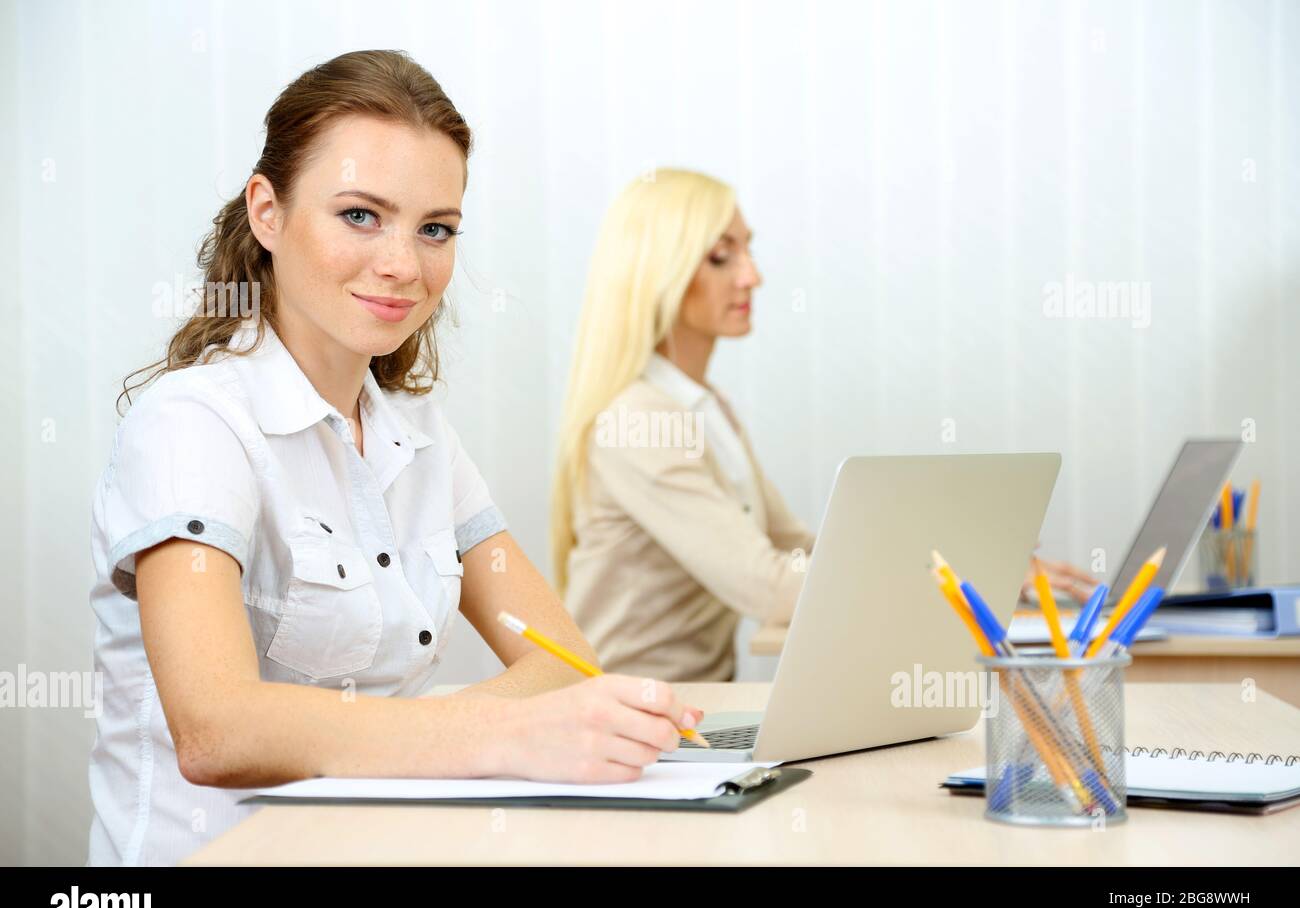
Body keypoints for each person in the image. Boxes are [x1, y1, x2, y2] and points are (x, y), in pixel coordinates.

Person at [87, 51, 698, 866]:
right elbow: (218, 729)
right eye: (360, 216)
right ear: (266, 212)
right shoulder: (192, 427)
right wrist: (503, 729)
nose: (404, 266)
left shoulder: (419, 434)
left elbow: (564, 660)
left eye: (435, 229)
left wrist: (515, 724)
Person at [551, 169, 1097, 682]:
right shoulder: (638, 422)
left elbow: (794, 546)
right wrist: (965, 581)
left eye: (748, 249)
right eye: (721, 256)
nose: (753, 276)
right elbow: (768, 587)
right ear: (658, 278)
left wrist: (964, 559)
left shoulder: (703, 406)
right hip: (623, 716)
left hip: (687, 706)